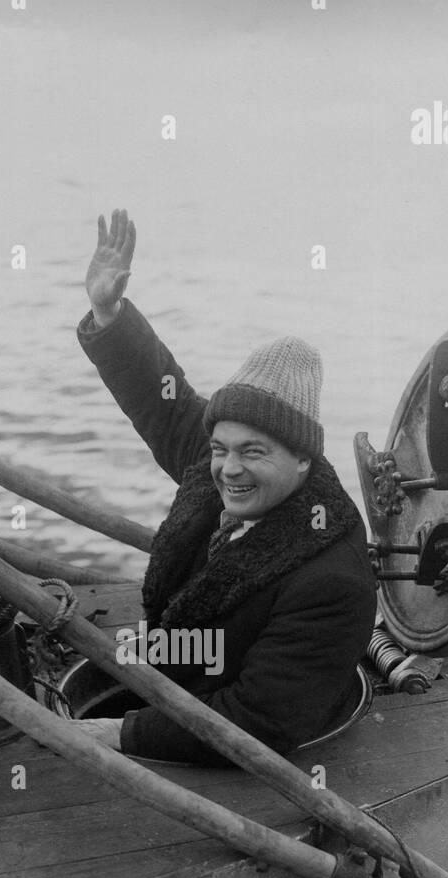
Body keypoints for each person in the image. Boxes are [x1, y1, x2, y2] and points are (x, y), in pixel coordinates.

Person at [75, 209, 376, 766]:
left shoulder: (333, 580)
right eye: (220, 448)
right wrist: (107, 310)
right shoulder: (216, 466)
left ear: (303, 457)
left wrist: (123, 735)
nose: (228, 469)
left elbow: (262, 722)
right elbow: (161, 399)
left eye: (253, 452)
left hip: (243, 756)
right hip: (181, 682)